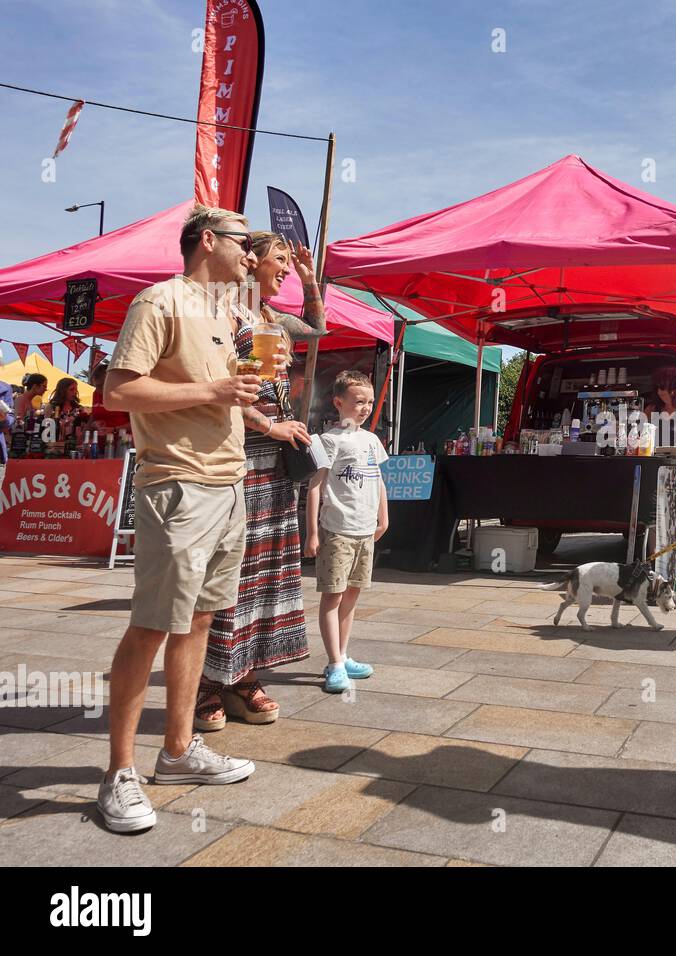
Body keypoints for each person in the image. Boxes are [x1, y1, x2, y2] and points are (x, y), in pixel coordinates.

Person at [96, 204, 263, 834]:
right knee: (152, 625)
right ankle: (119, 772)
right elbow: (117, 392)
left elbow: (218, 395)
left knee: (199, 619)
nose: (251, 255)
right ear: (210, 241)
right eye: (244, 244)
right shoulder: (159, 301)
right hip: (178, 485)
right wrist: (216, 392)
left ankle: (177, 751)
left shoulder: (223, 312)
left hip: (227, 482)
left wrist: (250, 404)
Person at [195, 231, 324, 730]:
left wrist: (312, 281)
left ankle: (244, 678)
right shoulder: (224, 312)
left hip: (277, 464)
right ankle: (208, 683)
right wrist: (270, 425)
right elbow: (220, 388)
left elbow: (316, 327)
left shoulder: (270, 317)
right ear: (251, 261)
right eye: (280, 260)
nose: (286, 269)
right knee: (233, 573)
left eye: (289, 263)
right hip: (240, 457)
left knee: (269, 573)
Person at [304, 371, 389, 693]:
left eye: (368, 401)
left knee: (352, 594)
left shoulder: (371, 440)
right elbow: (315, 487)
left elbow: (378, 480)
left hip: (365, 529)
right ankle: (334, 662)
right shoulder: (327, 440)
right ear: (339, 403)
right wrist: (312, 532)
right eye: (358, 401)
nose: (365, 407)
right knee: (332, 595)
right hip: (338, 529)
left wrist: (384, 518)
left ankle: (342, 653)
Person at [89, 361, 131, 431]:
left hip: (122, 440)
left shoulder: (124, 394)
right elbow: (93, 417)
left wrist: (113, 429)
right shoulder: (96, 393)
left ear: (110, 382)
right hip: (100, 440)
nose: (97, 389)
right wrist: (92, 425)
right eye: (95, 386)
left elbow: (134, 424)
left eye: (100, 386)